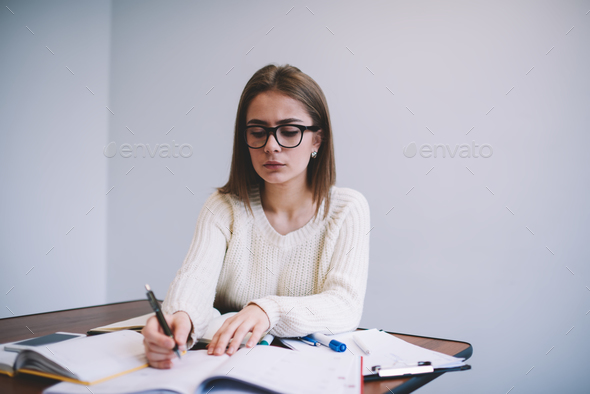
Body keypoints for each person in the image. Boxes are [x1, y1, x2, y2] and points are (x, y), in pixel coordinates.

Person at [141, 64, 371, 369]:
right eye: (258, 132)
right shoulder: (223, 206)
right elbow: (195, 280)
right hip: (225, 363)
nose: (271, 146)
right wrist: (179, 319)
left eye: (289, 131)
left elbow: (345, 305)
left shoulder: (348, 208)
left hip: (307, 374)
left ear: (317, 140)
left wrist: (268, 310)